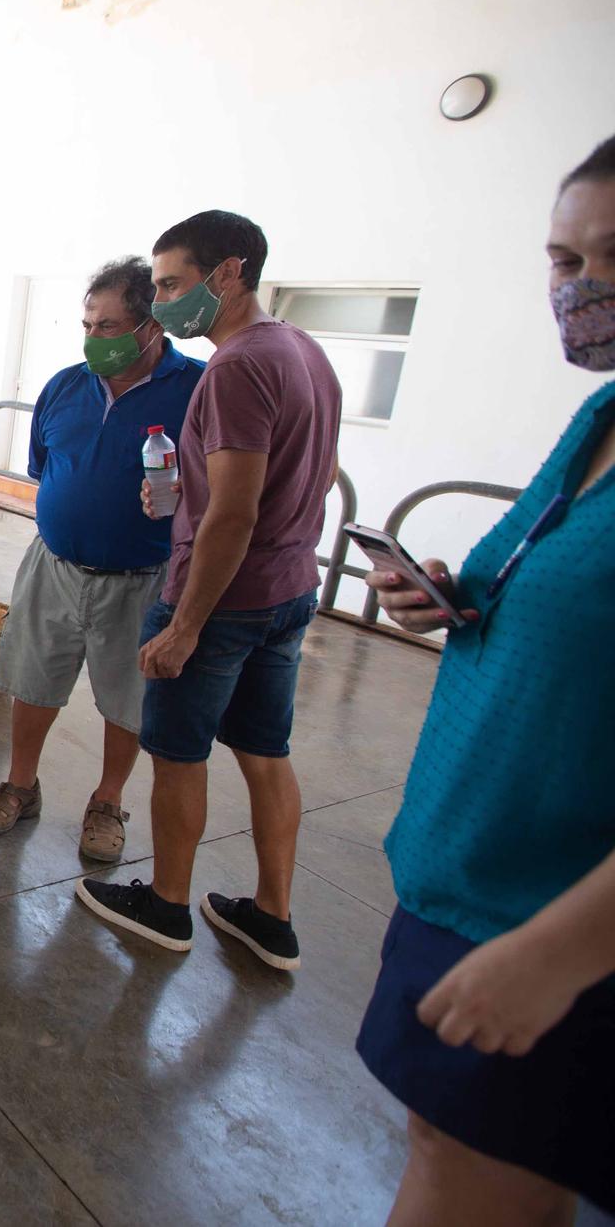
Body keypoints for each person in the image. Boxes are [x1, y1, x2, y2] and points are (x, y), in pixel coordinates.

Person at [354, 135, 615, 1224]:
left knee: (470, 1173)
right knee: (449, 1142)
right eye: (563, 260)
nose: (582, 287)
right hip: (469, 870)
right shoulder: (597, 419)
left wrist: (560, 954)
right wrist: (457, 594)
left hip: (556, 916)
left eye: (610, 256)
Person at [74, 210, 341, 972]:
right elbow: (309, 471)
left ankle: (165, 904)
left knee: (178, 755)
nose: (160, 302)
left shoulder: (233, 366)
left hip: (222, 599)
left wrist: (187, 621)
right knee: (265, 754)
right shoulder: (304, 350)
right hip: (288, 589)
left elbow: (233, 511)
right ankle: (272, 917)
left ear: (229, 273)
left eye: (170, 284)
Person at [0, 256, 205, 861]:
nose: (92, 338)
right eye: (87, 324)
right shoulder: (64, 386)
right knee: (33, 679)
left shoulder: (198, 389)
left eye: (107, 327)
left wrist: (179, 497)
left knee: (128, 695)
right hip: (55, 565)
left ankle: (108, 800)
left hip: (143, 577)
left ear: (152, 327)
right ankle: (20, 784)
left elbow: (219, 489)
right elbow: (44, 470)